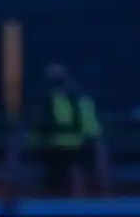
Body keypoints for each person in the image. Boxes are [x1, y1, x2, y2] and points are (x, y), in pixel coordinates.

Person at [34, 63, 108, 197]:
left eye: (58, 81)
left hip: (76, 152)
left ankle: (92, 196)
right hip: (48, 152)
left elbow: (93, 133)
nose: (55, 87)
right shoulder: (39, 104)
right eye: (52, 82)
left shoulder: (81, 102)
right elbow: (31, 133)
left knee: (79, 164)